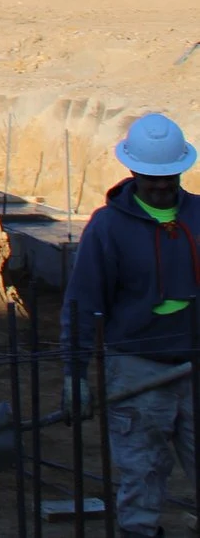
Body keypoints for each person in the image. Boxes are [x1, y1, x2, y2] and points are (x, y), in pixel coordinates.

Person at [61, 111, 200, 538]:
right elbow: (84, 302)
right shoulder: (109, 227)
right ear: (133, 170)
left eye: (168, 177)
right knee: (142, 470)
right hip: (137, 366)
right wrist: (75, 373)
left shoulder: (198, 217)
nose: (160, 185)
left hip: (196, 365)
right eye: (151, 177)